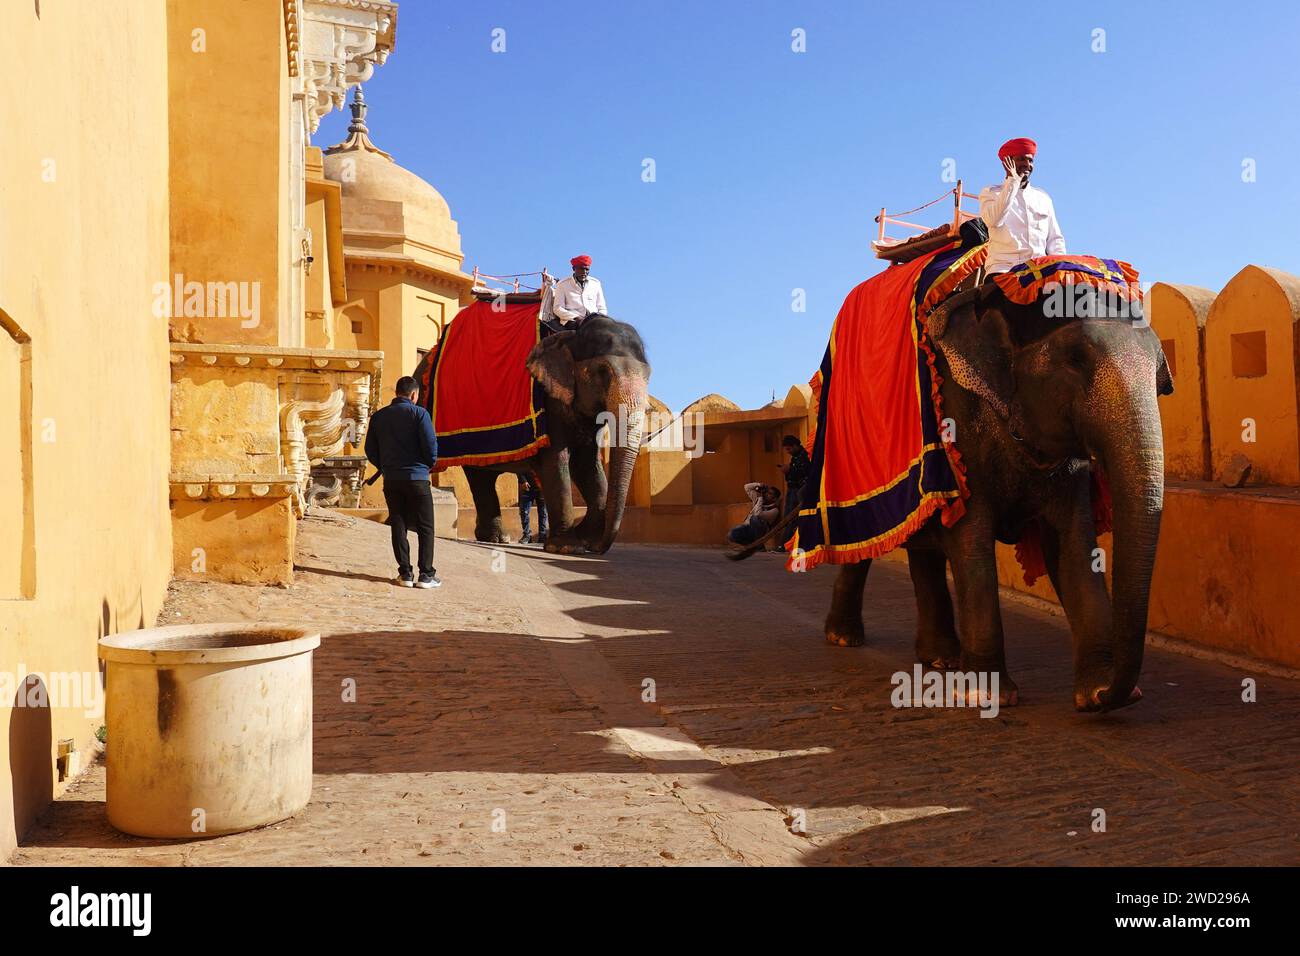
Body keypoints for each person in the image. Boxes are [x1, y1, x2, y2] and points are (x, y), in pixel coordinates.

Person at [364, 376, 440, 588]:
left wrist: (385, 466)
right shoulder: (420, 414)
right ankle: (426, 574)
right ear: (414, 395)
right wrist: (425, 466)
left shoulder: (379, 417)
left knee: (398, 524)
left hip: (392, 479)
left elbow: (370, 449)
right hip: (418, 479)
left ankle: (405, 574)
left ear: (397, 392)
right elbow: (431, 447)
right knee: (426, 527)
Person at [977, 137, 1065, 277]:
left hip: (1038, 271)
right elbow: (994, 220)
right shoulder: (991, 193)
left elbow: (1055, 239)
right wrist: (1012, 181)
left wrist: (1061, 267)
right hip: (1003, 270)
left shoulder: (1043, 198)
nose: (1027, 164)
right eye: (1022, 159)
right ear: (1008, 163)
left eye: (1030, 160)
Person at [549, 254, 607, 328]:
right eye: (581, 269)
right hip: (572, 321)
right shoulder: (562, 284)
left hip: (594, 321)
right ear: (574, 268)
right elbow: (557, 308)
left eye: (587, 269)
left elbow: (602, 307)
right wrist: (576, 318)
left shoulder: (596, 283)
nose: (584, 272)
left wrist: (599, 318)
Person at [776, 435, 810, 547]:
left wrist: (790, 470)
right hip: (792, 489)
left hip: (799, 490)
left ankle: (785, 544)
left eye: (789, 449)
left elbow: (804, 472)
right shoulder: (795, 457)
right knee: (788, 517)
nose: (788, 452)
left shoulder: (805, 456)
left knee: (792, 517)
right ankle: (785, 544)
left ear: (795, 446)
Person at [727, 482, 782, 547]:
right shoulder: (758, 500)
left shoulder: (774, 510)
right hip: (748, 528)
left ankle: (759, 545)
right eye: (767, 492)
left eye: (770, 494)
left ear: (774, 499)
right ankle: (751, 545)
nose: (766, 494)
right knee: (731, 535)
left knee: (754, 519)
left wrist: (760, 498)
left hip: (760, 531)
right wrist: (759, 485)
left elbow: (758, 514)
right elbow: (746, 487)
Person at [518, 472, 548, 544]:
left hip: (542, 488)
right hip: (527, 488)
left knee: (543, 512)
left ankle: (542, 535)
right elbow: (519, 469)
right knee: (524, 511)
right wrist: (523, 481)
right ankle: (527, 535)